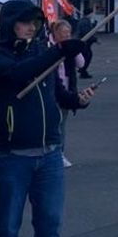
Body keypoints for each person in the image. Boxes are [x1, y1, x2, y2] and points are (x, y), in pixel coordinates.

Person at [0, 0, 95, 237]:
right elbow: (19, 76)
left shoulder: (38, 53)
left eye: (35, 21)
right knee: (8, 229)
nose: (32, 27)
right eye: (25, 22)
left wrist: (77, 100)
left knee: (50, 228)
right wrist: (58, 50)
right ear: (9, 24)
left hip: (49, 157)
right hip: (11, 158)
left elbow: (55, 91)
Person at [50, 19, 85, 168]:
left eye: (68, 34)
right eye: (64, 33)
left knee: (62, 126)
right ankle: (52, 155)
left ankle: (60, 154)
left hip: (67, 91)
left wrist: (74, 48)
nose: (66, 36)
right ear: (55, 33)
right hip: (52, 92)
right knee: (53, 126)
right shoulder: (48, 47)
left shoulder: (69, 47)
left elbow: (81, 64)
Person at [76, 8, 99, 79]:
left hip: (85, 43)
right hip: (84, 43)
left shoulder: (86, 21)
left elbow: (90, 29)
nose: (93, 15)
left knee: (87, 56)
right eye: (92, 13)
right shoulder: (84, 22)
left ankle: (83, 71)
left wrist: (94, 23)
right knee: (87, 56)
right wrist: (95, 40)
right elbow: (87, 32)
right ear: (89, 14)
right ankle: (82, 70)